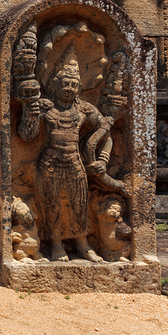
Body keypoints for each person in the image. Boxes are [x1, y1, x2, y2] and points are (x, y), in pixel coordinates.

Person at [17, 47, 107, 262]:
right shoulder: (46, 108)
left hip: (75, 162)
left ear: (79, 88)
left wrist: (103, 158)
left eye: (74, 85)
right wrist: (30, 112)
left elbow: (106, 133)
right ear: (54, 85)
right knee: (52, 204)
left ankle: (83, 243)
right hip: (49, 163)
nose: (69, 88)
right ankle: (56, 244)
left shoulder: (85, 109)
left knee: (78, 204)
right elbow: (27, 136)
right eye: (64, 84)